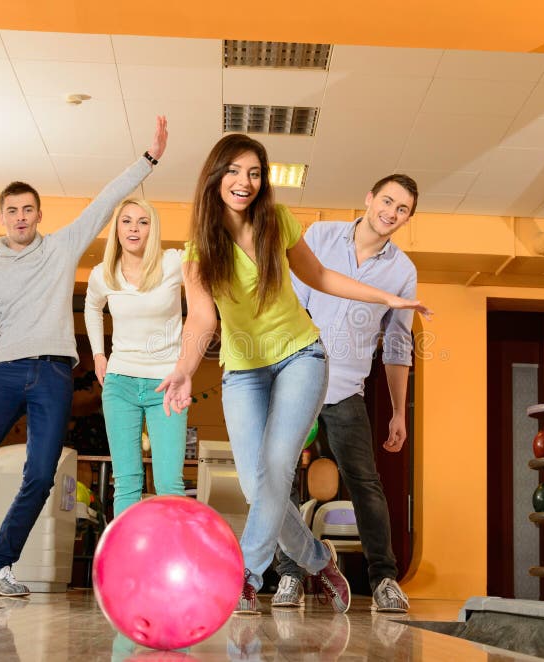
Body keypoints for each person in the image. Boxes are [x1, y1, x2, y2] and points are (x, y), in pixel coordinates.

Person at [157, 133, 431, 615]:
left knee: (279, 466)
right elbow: (202, 319)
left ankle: (245, 574)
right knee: (253, 481)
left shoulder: (277, 222)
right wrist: (183, 369)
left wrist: (386, 298)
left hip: (301, 357)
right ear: (216, 176)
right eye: (236, 171)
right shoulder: (198, 250)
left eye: (255, 173)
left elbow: (320, 277)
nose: (245, 182)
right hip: (243, 370)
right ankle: (317, 558)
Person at [0, 116, 168, 597]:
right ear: (2, 218)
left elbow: (106, 200)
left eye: (29, 209)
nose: (21, 217)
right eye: (12, 210)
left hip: (53, 373)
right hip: (4, 372)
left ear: (38, 214)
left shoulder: (61, 248)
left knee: (41, 474)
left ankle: (1, 563)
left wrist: (149, 159)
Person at [272, 174, 420, 614]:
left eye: (402, 209)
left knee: (366, 485)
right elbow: (290, 304)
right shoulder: (319, 236)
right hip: (296, 382)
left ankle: (385, 580)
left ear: (408, 217)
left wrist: (398, 412)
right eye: (387, 201)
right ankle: (289, 576)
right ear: (369, 197)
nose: (391, 213)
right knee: (284, 481)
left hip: (346, 391)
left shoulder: (402, 271)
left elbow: (397, 345)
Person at [84, 198, 186, 517]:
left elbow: (207, 268)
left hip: (167, 385)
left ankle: (171, 561)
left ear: (152, 230)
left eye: (143, 222)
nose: (134, 228)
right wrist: (99, 354)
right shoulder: (103, 274)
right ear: (116, 228)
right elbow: (91, 307)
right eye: (126, 220)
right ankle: (122, 565)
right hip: (120, 383)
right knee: (127, 482)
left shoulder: (173, 262)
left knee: (170, 484)